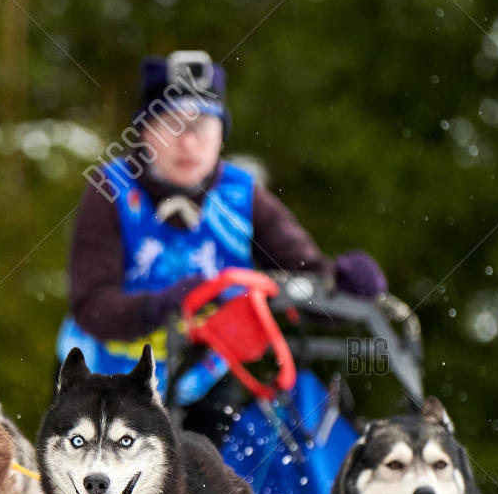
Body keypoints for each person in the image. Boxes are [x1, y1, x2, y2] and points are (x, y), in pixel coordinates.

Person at [58, 50, 388, 437]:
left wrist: (345, 287)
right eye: (172, 124)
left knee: (210, 488)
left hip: (205, 384)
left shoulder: (242, 196)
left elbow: (305, 279)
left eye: (203, 125)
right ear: (145, 131)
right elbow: (92, 306)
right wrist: (169, 303)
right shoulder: (111, 191)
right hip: (102, 381)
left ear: (221, 135)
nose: (188, 142)